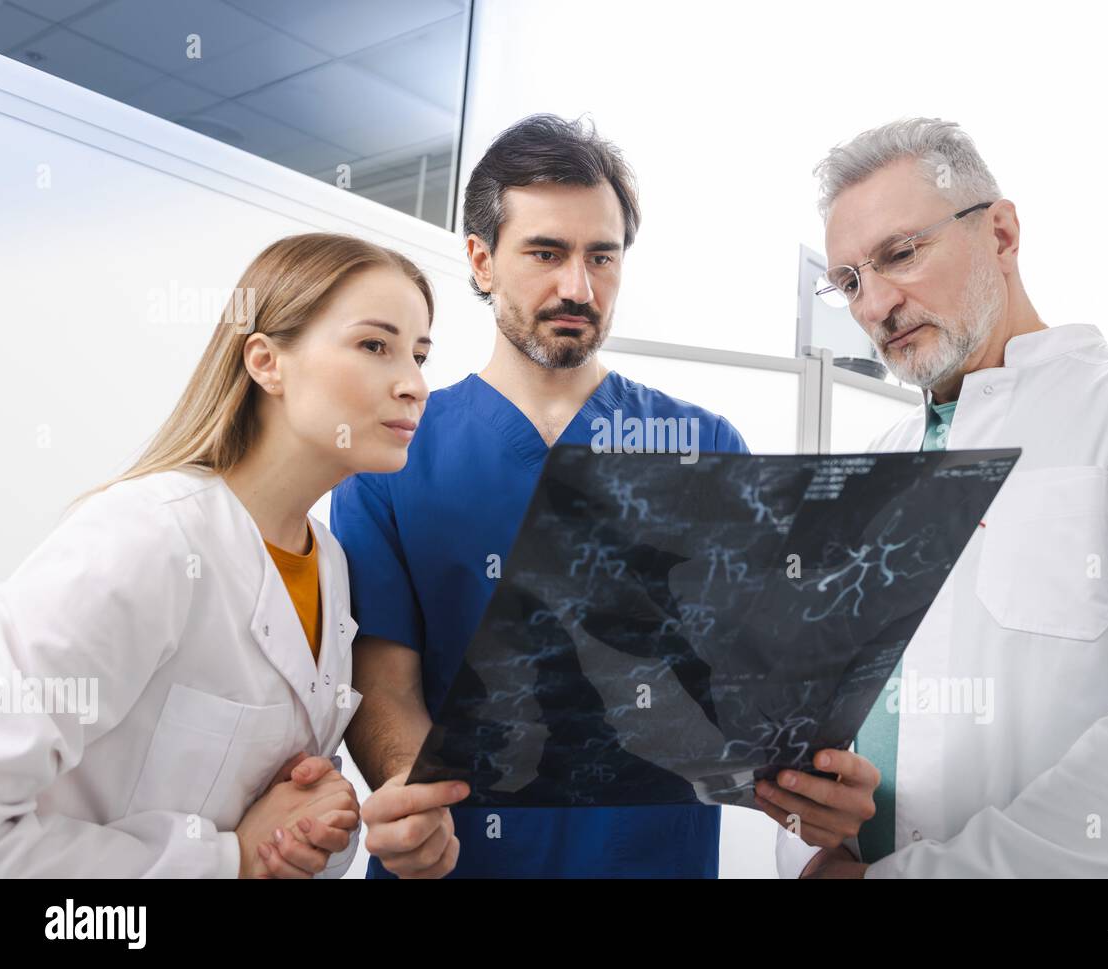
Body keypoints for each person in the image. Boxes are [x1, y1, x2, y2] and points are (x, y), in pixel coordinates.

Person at [768, 117, 1108, 878]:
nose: (874, 305)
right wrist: (816, 826)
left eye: (900, 254)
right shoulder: (867, 470)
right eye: (849, 281)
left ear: (1001, 234)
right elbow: (830, 729)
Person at [333, 114, 812, 878]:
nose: (578, 287)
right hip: (459, 859)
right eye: (546, 253)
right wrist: (411, 791)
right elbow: (384, 675)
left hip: (650, 857)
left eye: (602, 257)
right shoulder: (393, 451)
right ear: (482, 261)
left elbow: (750, 676)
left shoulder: (703, 444)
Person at [0, 232, 435, 877]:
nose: (414, 384)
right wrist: (226, 859)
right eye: (375, 345)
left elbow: (274, 817)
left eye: (420, 355)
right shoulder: (145, 536)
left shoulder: (330, 565)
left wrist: (321, 815)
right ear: (266, 362)